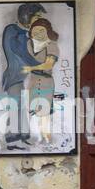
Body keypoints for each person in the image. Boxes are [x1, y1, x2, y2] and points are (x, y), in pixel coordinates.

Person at [0, 3, 46, 148]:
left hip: (21, 76)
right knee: (15, 107)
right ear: (27, 15)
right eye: (37, 16)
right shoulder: (13, 31)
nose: (38, 19)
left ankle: (22, 135)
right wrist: (39, 66)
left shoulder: (23, 32)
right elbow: (21, 52)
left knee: (20, 106)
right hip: (14, 76)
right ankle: (12, 139)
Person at [25, 16, 60, 144]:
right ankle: (35, 135)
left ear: (48, 32)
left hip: (45, 82)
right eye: (35, 31)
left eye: (41, 31)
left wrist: (31, 67)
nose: (38, 34)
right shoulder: (28, 44)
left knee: (44, 111)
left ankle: (46, 136)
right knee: (32, 109)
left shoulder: (52, 46)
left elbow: (49, 64)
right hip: (32, 80)